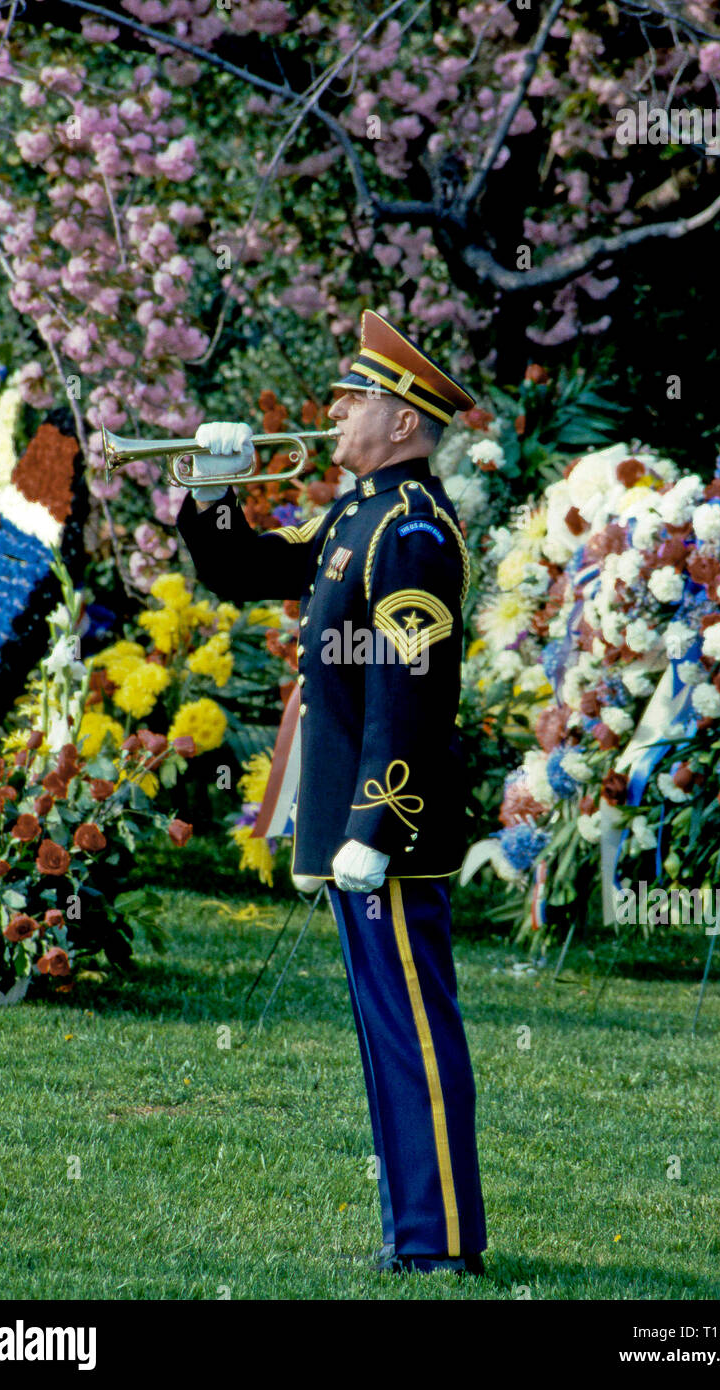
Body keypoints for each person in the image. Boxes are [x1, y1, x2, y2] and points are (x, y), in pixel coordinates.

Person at [176, 311, 487, 1275]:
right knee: (389, 1037)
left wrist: (372, 827)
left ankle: (437, 1247)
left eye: (354, 399)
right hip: (364, 827)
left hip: (387, 830)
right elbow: (240, 569)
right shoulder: (356, 515)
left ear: (404, 423)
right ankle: (418, 1236)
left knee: (414, 1042)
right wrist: (213, 488)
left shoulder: (410, 531)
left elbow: (412, 691)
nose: (335, 412)